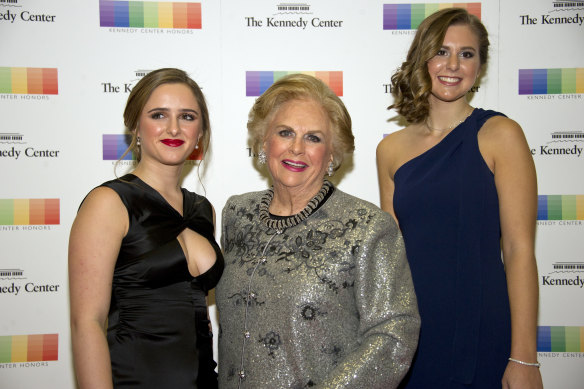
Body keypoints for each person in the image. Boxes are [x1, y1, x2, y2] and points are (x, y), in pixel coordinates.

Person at [216, 73, 420, 389]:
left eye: (313, 138)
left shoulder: (367, 227)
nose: (296, 148)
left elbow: (394, 334)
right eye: (285, 133)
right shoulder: (236, 214)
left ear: (332, 154)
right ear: (263, 142)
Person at [376, 8, 543, 389]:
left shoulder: (501, 134)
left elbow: (519, 250)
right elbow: (392, 257)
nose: (453, 64)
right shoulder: (391, 150)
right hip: (412, 333)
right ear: (422, 58)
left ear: (480, 65)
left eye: (466, 54)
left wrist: (524, 358)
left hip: (480, 327)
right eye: (441, 51)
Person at [69, 68, 224, 389]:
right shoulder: (109, 202)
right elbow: (87, 324)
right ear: (135, 127)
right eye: (158, 115)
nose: (173, 128)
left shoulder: (202, 210)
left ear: (200, 132)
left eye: (187, 116)